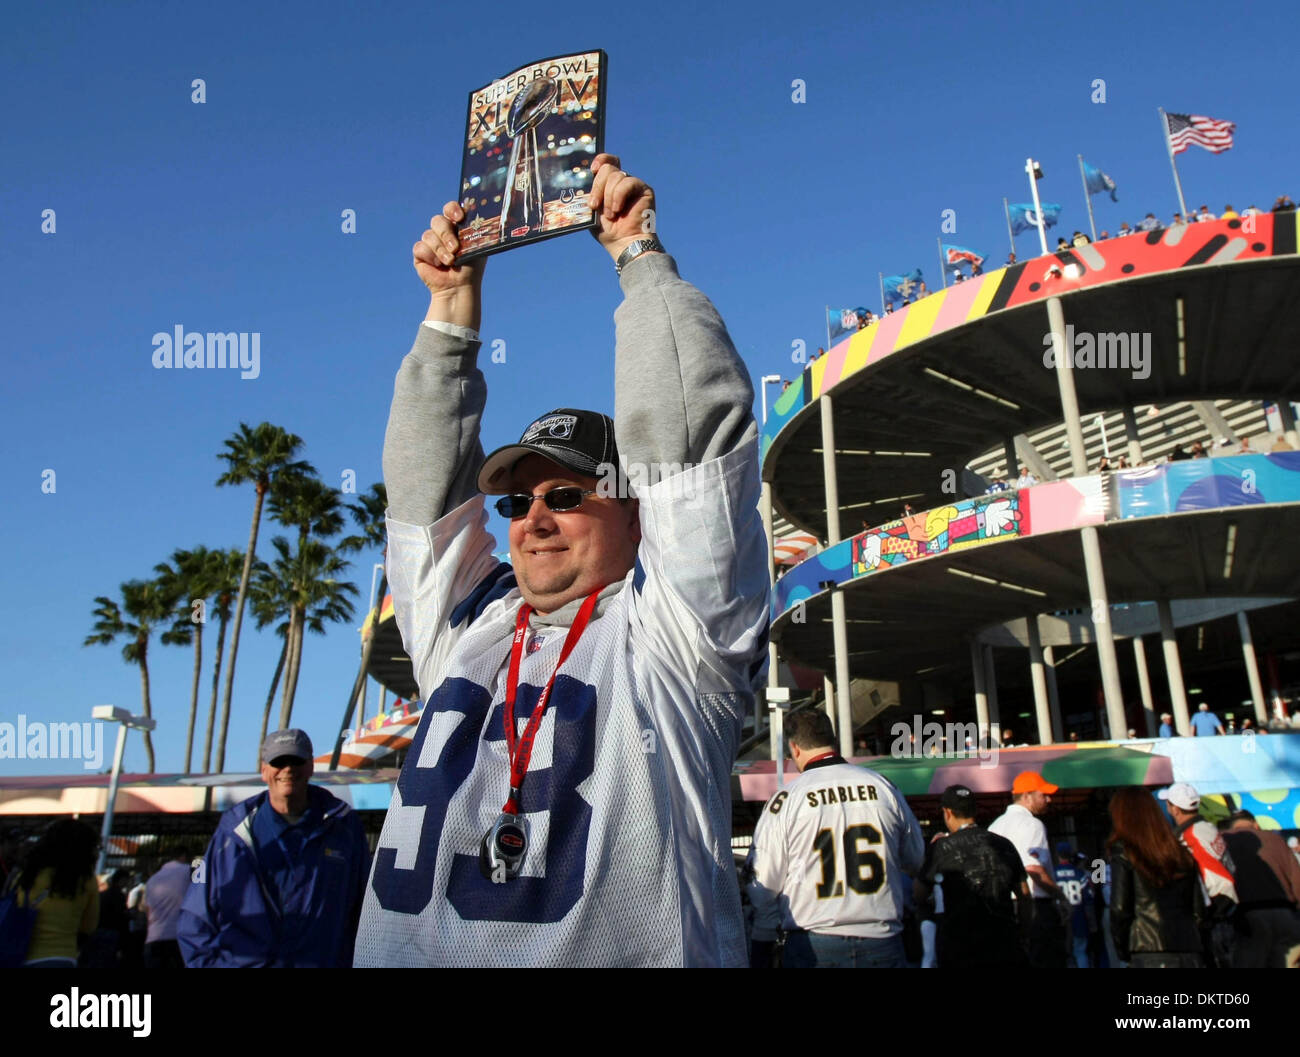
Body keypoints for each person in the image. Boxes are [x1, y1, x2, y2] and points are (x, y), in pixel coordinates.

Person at [355, 153, 767, 969]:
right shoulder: (467, 625)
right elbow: (422, 498)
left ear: (638, 509)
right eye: (518, 502)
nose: (534, 519)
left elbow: (688, 439)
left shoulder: (680, 633)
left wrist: (637, 258)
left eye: (568, 496)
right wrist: (448, 315)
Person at [179, 729, 370, 967]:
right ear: (264, 770)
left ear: (310, 766)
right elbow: (195, 919)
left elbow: (368, 912)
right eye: (279, 761)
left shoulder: (344, 826)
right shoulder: (233, 833)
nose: (288, 769)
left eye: (296, 760)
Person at [749, 710, 924, 968]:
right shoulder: (883, 787)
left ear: (795, 748)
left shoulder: (786, 800)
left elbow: (763, 882)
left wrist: (763, 943)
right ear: (834, 740)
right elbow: (916, 859)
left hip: (814, 943)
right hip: (882, 938)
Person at [914, 785, 1028, 968]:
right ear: (975, 810)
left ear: (947, 812)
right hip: (1004, 942)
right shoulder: (1004, 844)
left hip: (960, 946)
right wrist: (1023, 930)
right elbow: (1024, 894)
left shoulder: (942, 848)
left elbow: (918, 893)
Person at [1108, 787, 1204, 968]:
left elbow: (1119, 908)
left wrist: (1124, 948)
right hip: (1189, 947)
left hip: (1147, 946)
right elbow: (1198, 909)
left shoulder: (1124, 852)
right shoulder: (1179, 851)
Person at [988, 771, 1067, 967]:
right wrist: (1060, 896)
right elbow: (1033, 868)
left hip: (1003, 906)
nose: (1048, 799)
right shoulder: (1032, 824)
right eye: (1043, 795)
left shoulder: (995, 826)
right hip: (1035, 906)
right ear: (1027, 796)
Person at [1158, 782, 1237, 968]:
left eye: (1168, 804)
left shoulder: (1188, 836)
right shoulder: (1209, 828)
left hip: (1214, 911)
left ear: (1175, 809)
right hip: (1229, 909)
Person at [5, 819, 99, 968]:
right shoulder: (86, 880)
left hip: (15, 956)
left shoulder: (26, 874)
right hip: (61, 957)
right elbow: (89, 926)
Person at [1219, 810, 1300, 968]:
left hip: (1248, 915)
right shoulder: (1276, 839)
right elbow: (1297, 880)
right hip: (1285, 913)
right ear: (1255, 824)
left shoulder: (1224, 841)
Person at [143, 851, 192, 970]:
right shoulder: (190, 870)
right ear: (183, 856)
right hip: (181, 938)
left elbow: (148, 912)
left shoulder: (152, 880)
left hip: (154, 937)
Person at [1053, 842, 1096, 967]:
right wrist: (1092, 923)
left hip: (1061, 916)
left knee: (1065, 954)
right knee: (1080, 951)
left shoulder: (1053, 873)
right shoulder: (1079, 873)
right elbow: (1088, 899)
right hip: (1079, 916)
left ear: (1057, 855)